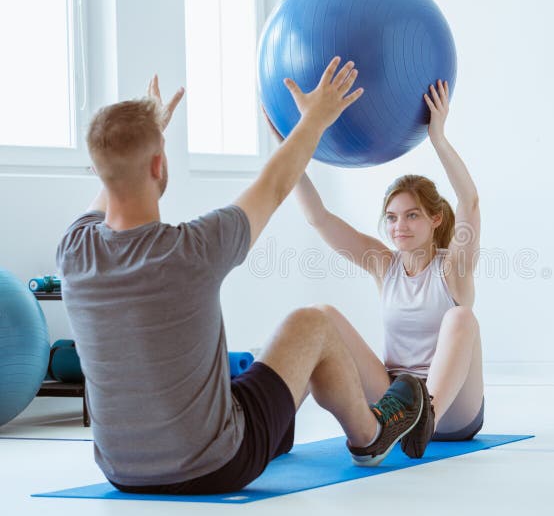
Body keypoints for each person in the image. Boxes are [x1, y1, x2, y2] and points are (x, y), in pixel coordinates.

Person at [55, 57, 431, 495]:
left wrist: (145, 136)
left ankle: (281, 430)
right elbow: (274, 185)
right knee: (312, 325)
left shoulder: (73, 250)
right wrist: (318, 116)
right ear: (159, 165)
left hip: (120, 471)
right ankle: (372, 434)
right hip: (216, 465)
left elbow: (116, 168)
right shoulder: (193, 249)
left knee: (247, 373)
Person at [292, 79, 482, 459]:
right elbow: (319, 218)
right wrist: (292, 145)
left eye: (412, 216)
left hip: (453, 408)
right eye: (393, 218)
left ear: (435, 219)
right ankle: (274, 424)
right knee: (322, 317)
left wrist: (438, 137)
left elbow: (470, 201)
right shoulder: (384, 264)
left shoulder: (452, 268)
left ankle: (423, 418)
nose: (400, 226)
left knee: (461, 317)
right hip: (395, 402)